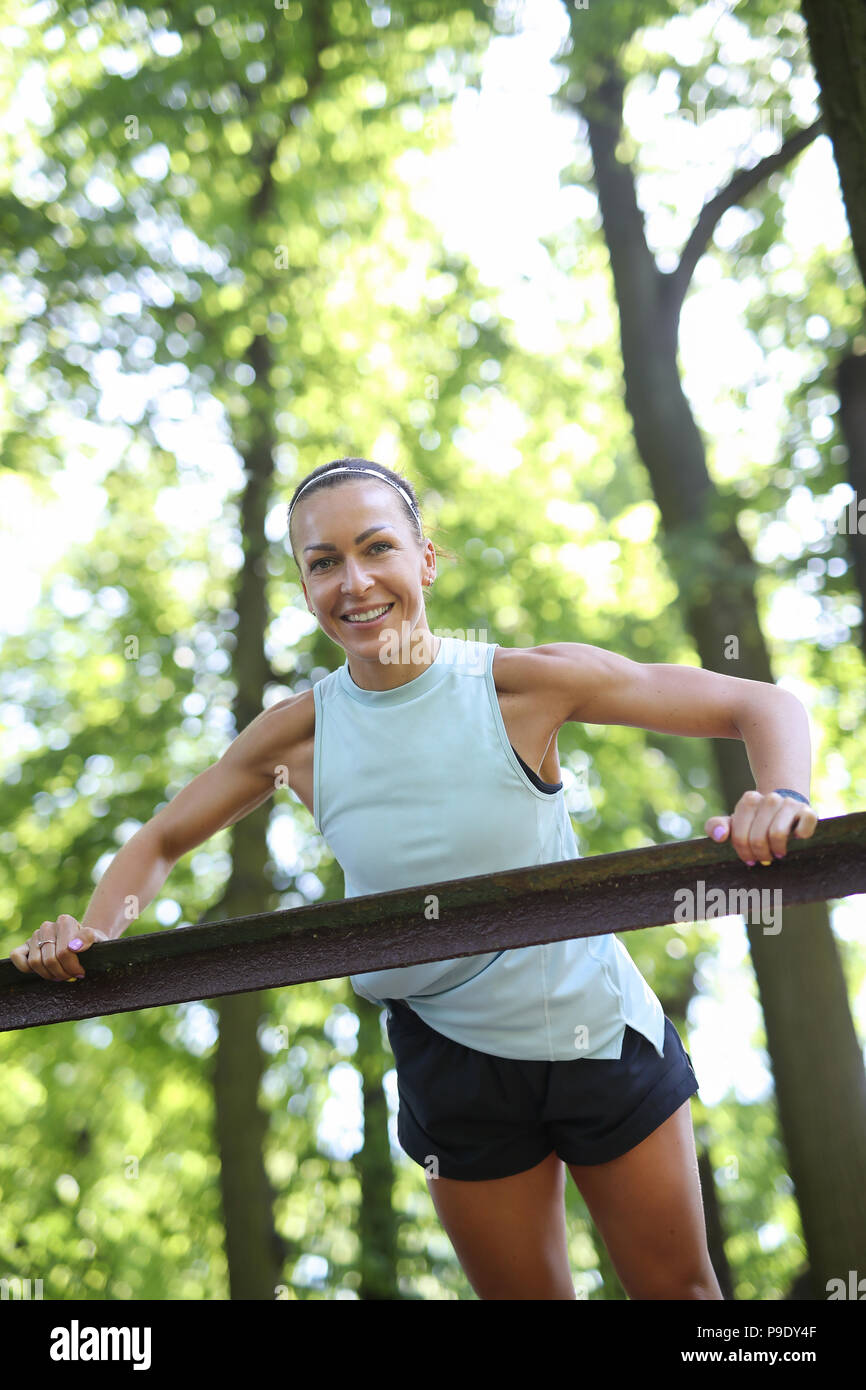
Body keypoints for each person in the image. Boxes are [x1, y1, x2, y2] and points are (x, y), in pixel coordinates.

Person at [13, 456, 817, 1301]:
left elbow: (763, 706)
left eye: (376, 549)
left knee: (684, 1301)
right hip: (448, 1058)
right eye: (323, 563)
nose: (354, 582)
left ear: (425, 559)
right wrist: (94, 933)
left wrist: (784, 797)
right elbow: (163, 839)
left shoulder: (518, 686)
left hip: (595, 1029)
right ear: (304, 583)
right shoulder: (297, 737)